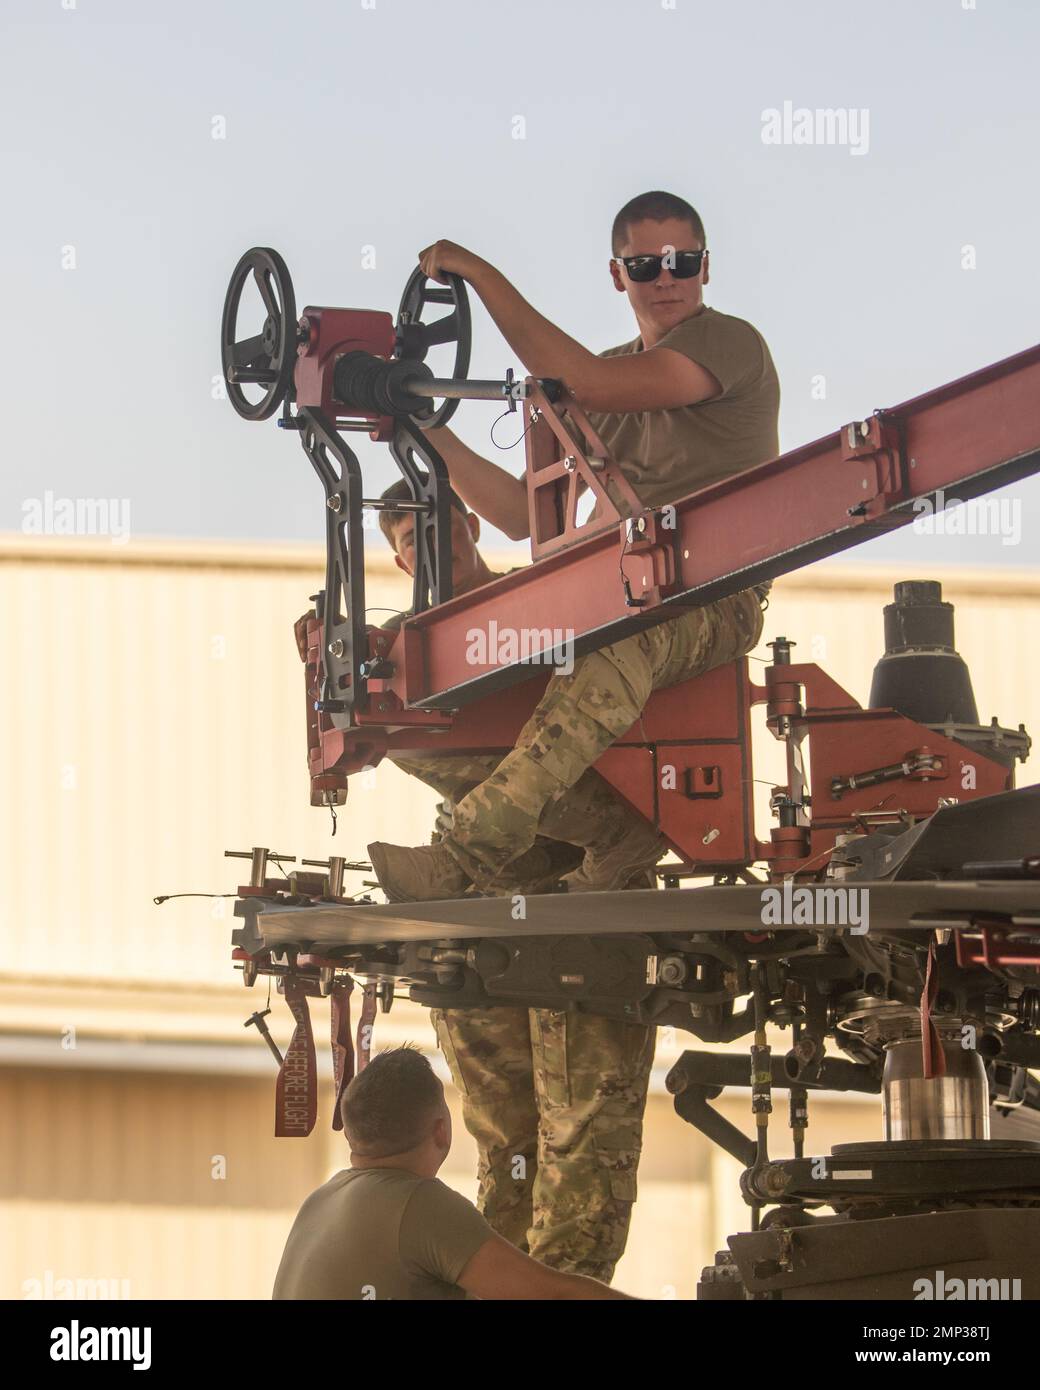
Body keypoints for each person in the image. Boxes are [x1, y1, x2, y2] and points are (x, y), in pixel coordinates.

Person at [366, 188, 779, 905]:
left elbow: (587, 381)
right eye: (646, 265)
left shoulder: (726, 345)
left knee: (619, 640)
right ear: (619, 276)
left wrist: (479, 274)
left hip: (713, 598)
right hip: (621, 597)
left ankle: (466, 854)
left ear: (706, 267)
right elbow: (516, 515)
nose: (667, 278)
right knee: (415, 670)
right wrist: (421, 422)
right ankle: (608, 830)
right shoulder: (612, 379)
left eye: (682, 261)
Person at [373, 477, 661, 1283]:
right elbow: (393, 734)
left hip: (590, 889)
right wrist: (349, 656)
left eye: (437, 531)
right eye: (407, 546)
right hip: (496, 903)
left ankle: (566, 1292)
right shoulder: (410, 647)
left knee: (584, 1150)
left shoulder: (549, 600)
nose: (428, 552)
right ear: (396, 561)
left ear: (466, 524)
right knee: (508, 1150)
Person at [271, 1046, 633, 1300]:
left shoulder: (319, 1201)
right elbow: (551, 1296)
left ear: (352, 1134)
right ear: (441, 1129)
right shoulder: (420, 1205)